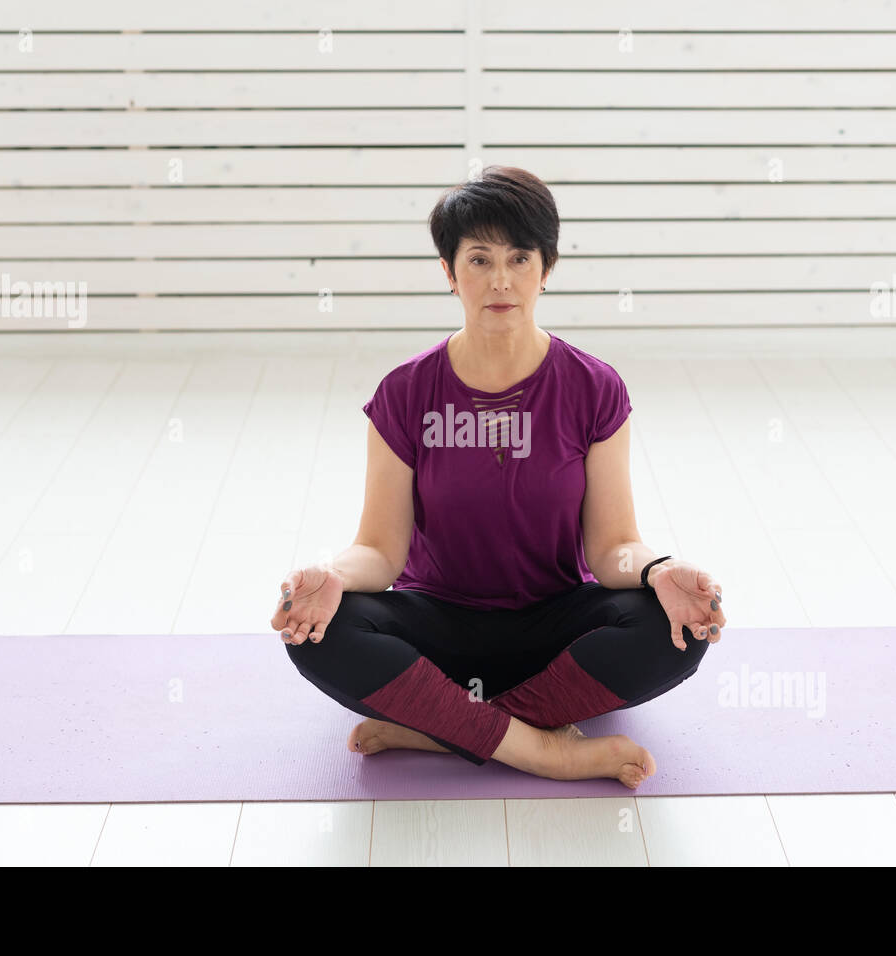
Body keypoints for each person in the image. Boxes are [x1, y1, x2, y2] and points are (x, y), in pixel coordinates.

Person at [272, 166, 726, 789]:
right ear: (448, 272)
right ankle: (546, 750)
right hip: (437, 628)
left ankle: (437, 728)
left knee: (677, 630)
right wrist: (329, 576)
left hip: (555, 625)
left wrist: (658, 571)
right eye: (479, 259)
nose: (501, 279)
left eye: (519, 257)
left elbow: (612, 545)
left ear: (547, 268)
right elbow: (378, 551)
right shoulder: (404, 393)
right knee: (319, 633)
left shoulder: (594, 387)